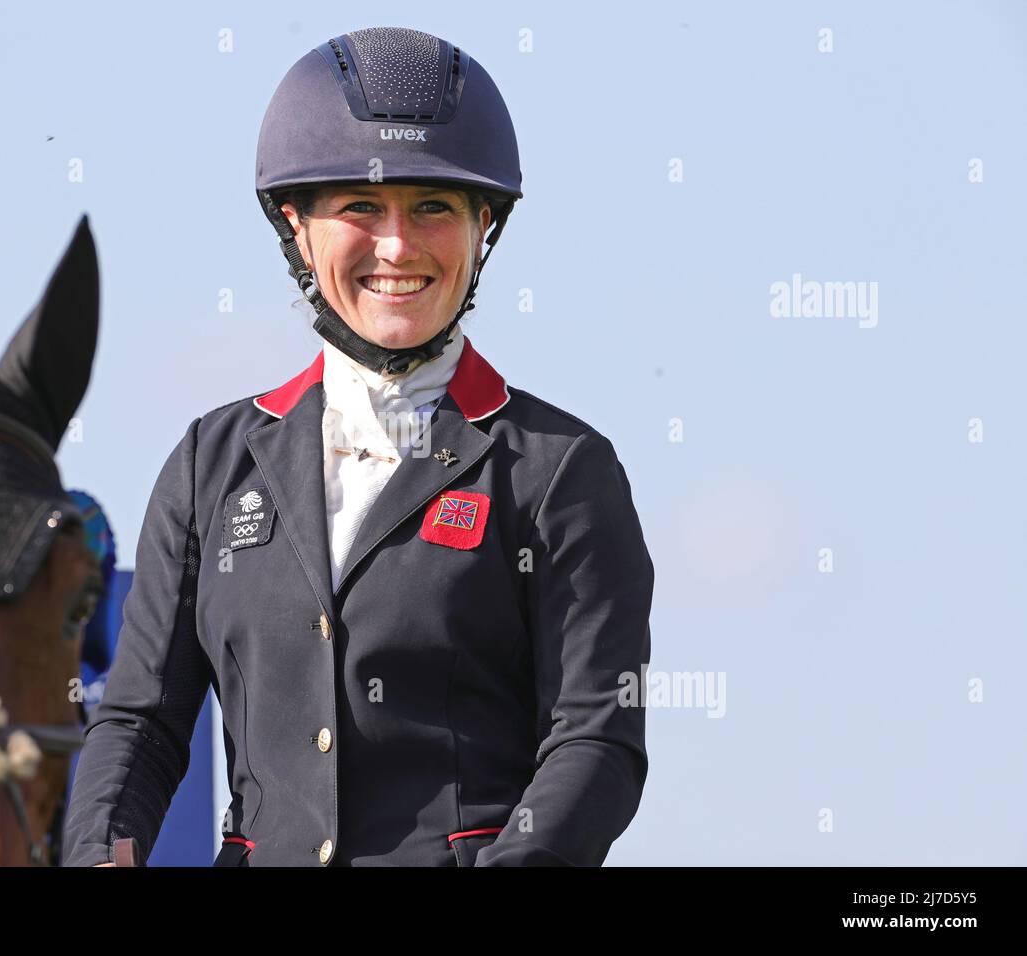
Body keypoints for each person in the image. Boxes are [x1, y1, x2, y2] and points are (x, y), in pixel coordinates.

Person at [62, 25, 654, 867]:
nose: (397, 246)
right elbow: (143, 721)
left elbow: (595, 740)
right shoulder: (209, 463)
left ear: (484, 225)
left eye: (433, 209)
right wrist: (100, 854)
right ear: (297, 226)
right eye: (362, 208)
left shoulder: (561, 471)